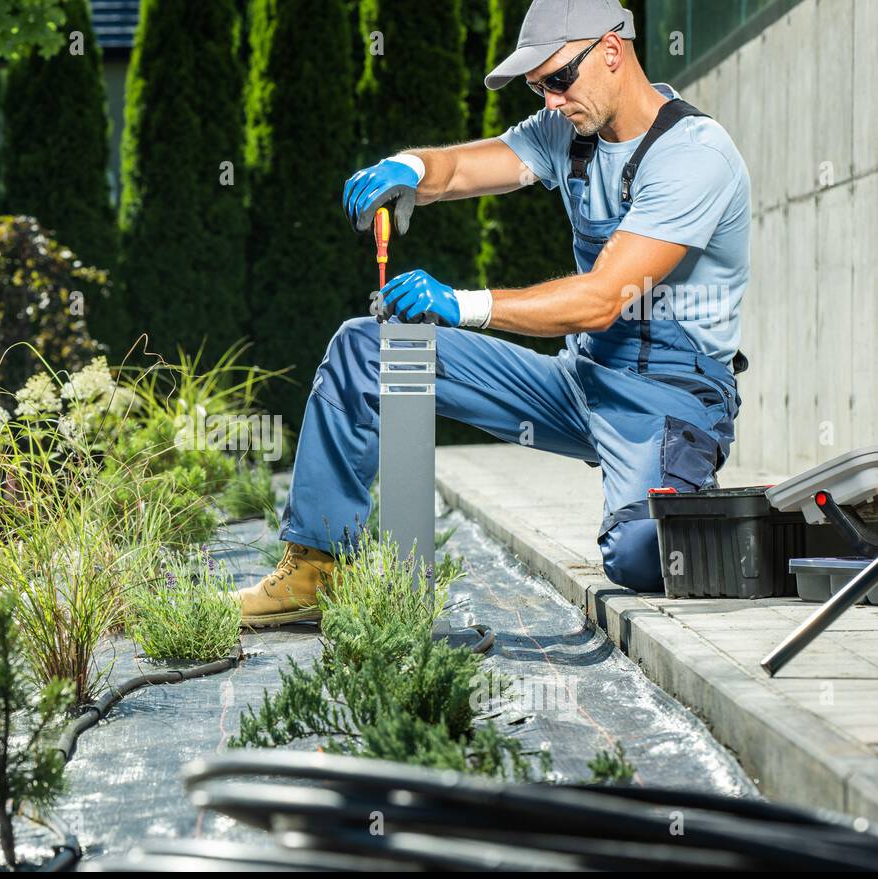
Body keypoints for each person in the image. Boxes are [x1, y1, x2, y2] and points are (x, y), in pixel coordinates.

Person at [236, 0, 751, 627]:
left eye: (559, 79)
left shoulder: (695, 155)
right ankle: (315, 567)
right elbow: (460, 170)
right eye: (539, 88)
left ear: (612, 51)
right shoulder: (570, 132)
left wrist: (461, 303)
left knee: (645, 556)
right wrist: (409, 167)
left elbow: (602, 298)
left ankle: (702, 503)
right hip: (579, 381)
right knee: (367, 348)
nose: (551, 101)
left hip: (669, 398)